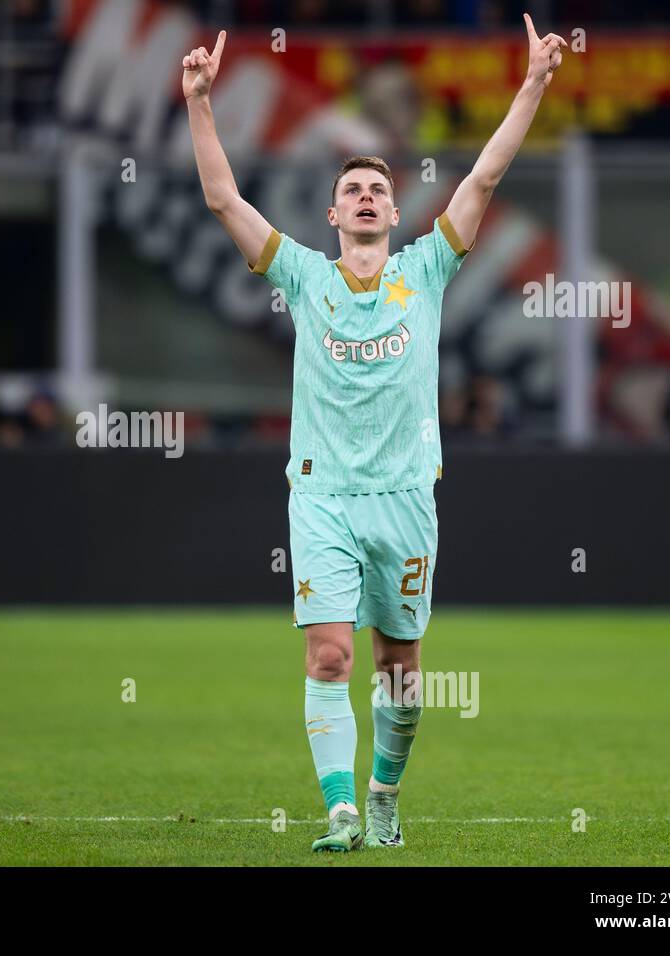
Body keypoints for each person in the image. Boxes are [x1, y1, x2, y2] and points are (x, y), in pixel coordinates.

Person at [184, 17, 563, 851]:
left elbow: (487, 175)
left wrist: (533, 82)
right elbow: (222, 199)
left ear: (394, 212)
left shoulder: (425, 269)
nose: (364, 197)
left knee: (401, 669)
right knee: (328, 658)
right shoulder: (301, 273)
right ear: (332, 213)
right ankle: (342, 811)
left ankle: (386, 794)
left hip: (405, 497)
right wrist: (199, 102)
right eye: (351, 189)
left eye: (376, 191)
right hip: (320, 496)